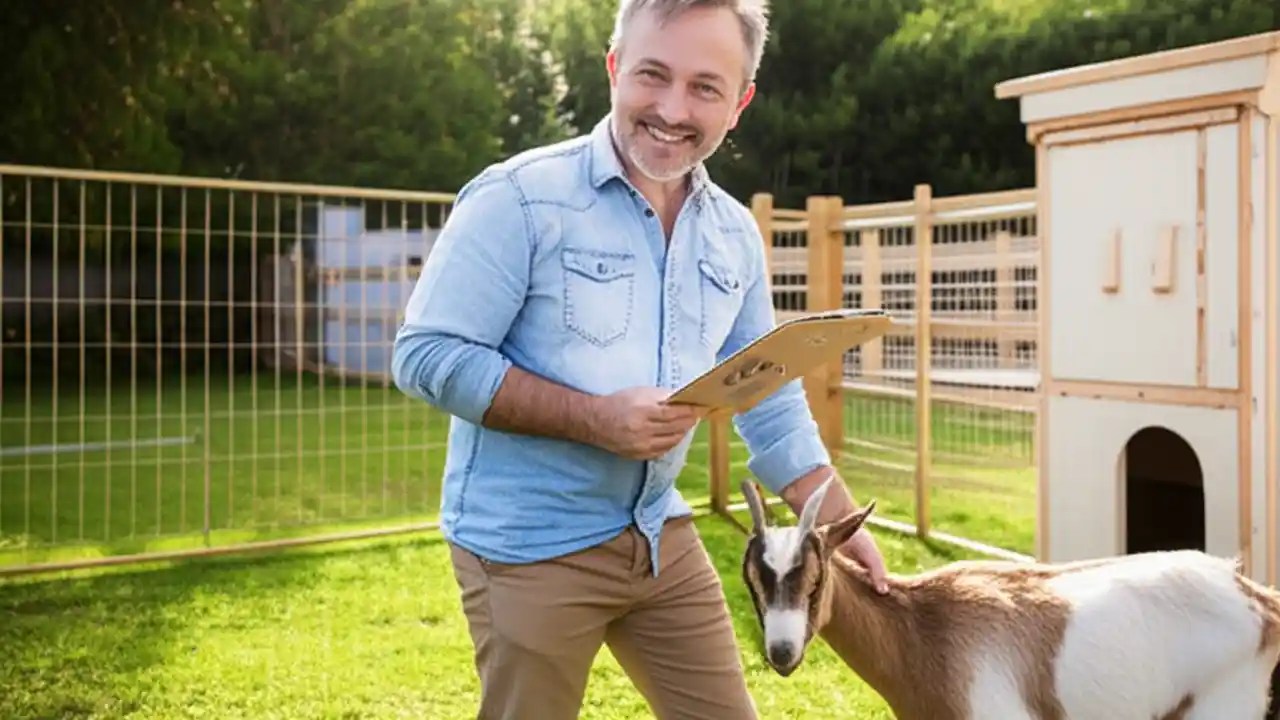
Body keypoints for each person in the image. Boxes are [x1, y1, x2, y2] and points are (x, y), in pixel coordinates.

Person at [391, 0, 888, 717]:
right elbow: (426, 354)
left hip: (659, 531)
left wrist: (841, 525)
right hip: (528, 544)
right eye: (652, 75)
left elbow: (770, 397)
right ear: (615, 68)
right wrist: (592, 419)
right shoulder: (520, 200)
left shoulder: (732, 236)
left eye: (705, 87)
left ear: (739, 103)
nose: (672, 108)